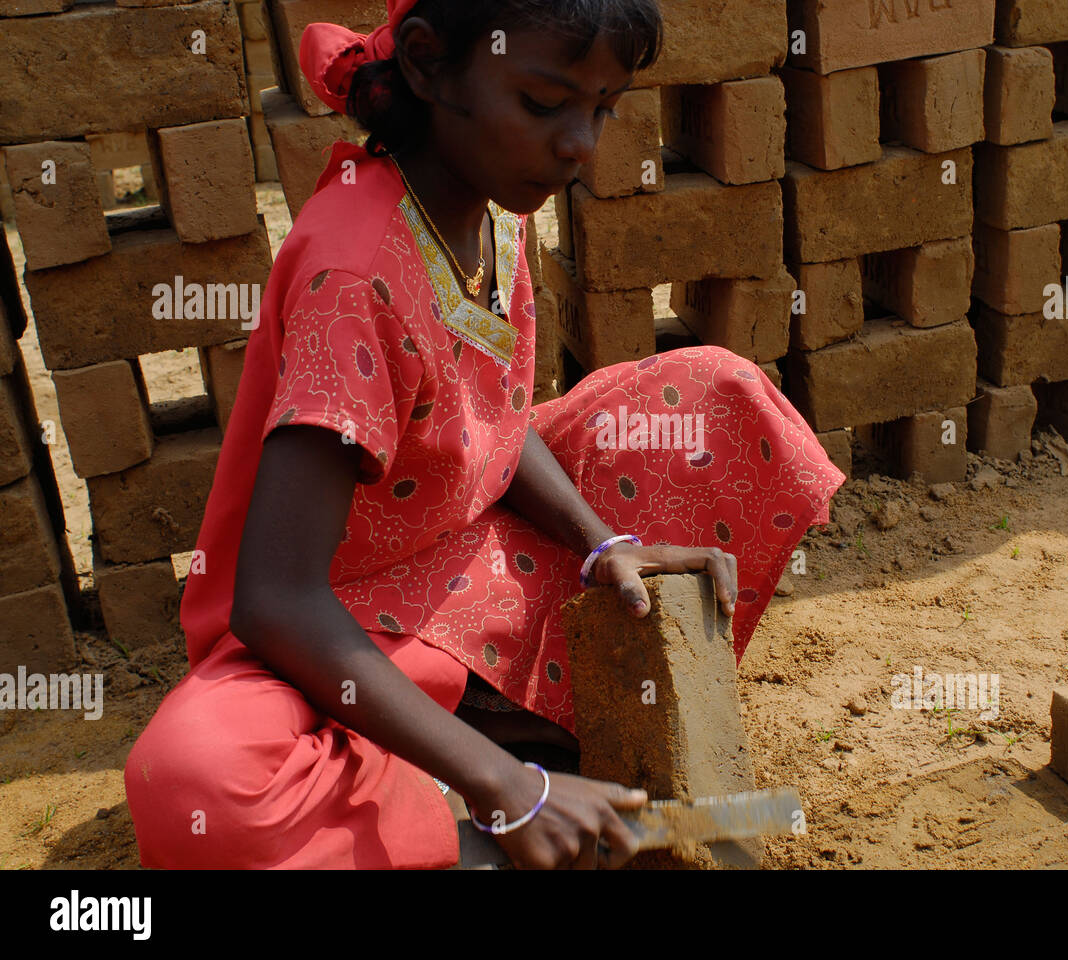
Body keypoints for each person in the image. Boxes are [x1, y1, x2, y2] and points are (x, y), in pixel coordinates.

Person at [123, 0, 846, 870]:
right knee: (196, 781)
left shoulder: (496, 203)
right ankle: (476, 814)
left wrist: (600, 544)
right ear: (428, 66)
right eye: (545, 105)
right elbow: (274, 599)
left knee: (718, 395)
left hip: (466, 555)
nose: (581, 143)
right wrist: (508, 790)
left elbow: (493, 421)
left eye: (604, 107)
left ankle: (498, 732)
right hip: (336, 615)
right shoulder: (351, 272)